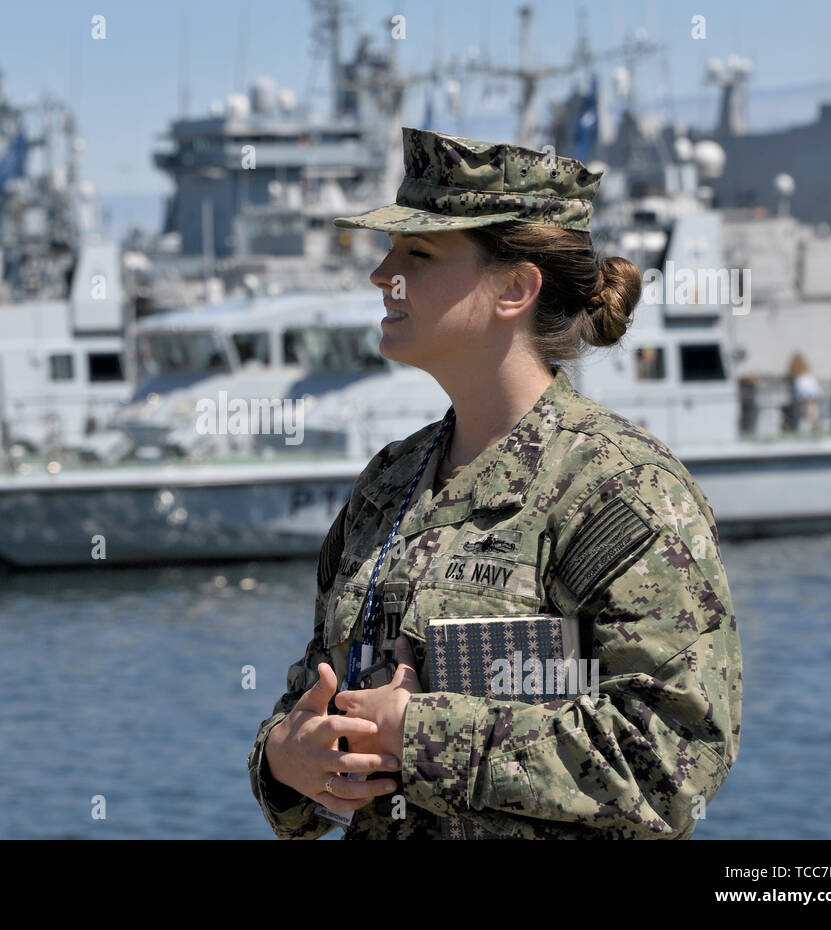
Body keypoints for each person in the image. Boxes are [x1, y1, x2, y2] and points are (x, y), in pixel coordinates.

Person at [247, 128, 742, 839]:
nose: (381, 273)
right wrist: (285, 758)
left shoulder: (617, 490)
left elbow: (674, 763)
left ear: (514, 287)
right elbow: (309, 695)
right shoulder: (388, 484)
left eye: (417, 253)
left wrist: (419, 735)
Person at [787, 353, 823, 433]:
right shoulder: (807, 374)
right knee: (813, 407)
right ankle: (814, 423)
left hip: (806, 392)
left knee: (809, 408)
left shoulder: (799, 376)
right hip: (813, 391)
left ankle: (813, 424)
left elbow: (801, 389)